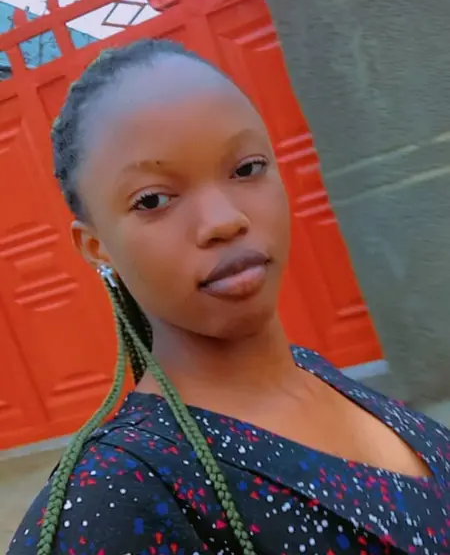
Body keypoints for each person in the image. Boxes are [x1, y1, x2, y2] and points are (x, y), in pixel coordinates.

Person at [8, 39, 448, 555]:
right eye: (153, 199)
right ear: (96, 246)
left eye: (247, 168)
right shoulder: (115, 498)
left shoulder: (312, 372)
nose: (224, 220)